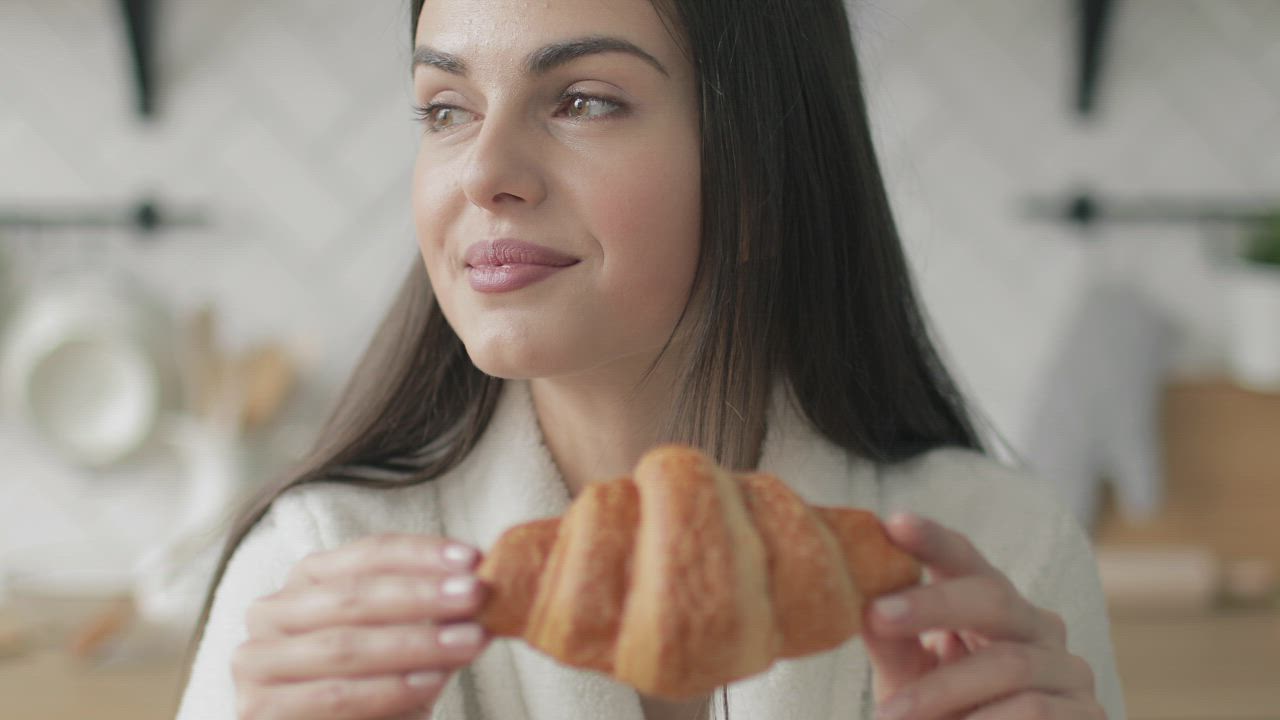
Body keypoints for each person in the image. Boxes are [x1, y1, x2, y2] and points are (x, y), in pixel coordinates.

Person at [176, 0, 1125, 718]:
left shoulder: (1001, 562)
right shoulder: (316, 583)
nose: (483, 170)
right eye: (445, 110)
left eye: (584, 100)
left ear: (759, 180)